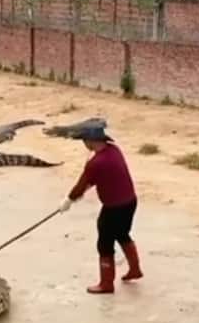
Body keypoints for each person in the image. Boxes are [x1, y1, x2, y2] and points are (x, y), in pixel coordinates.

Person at [57, 124, 143, 294]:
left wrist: (68, 200)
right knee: (122, 234)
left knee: (104, 243)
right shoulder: (114, 150)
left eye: (84, 140)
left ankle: (106, 283)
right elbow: (101, 178)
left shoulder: (96, 163)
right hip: (130, 202)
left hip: (113, 208)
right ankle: (135, 269)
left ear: (90, 141)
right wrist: (83, 190)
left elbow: (81, 185)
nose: (83, 143)